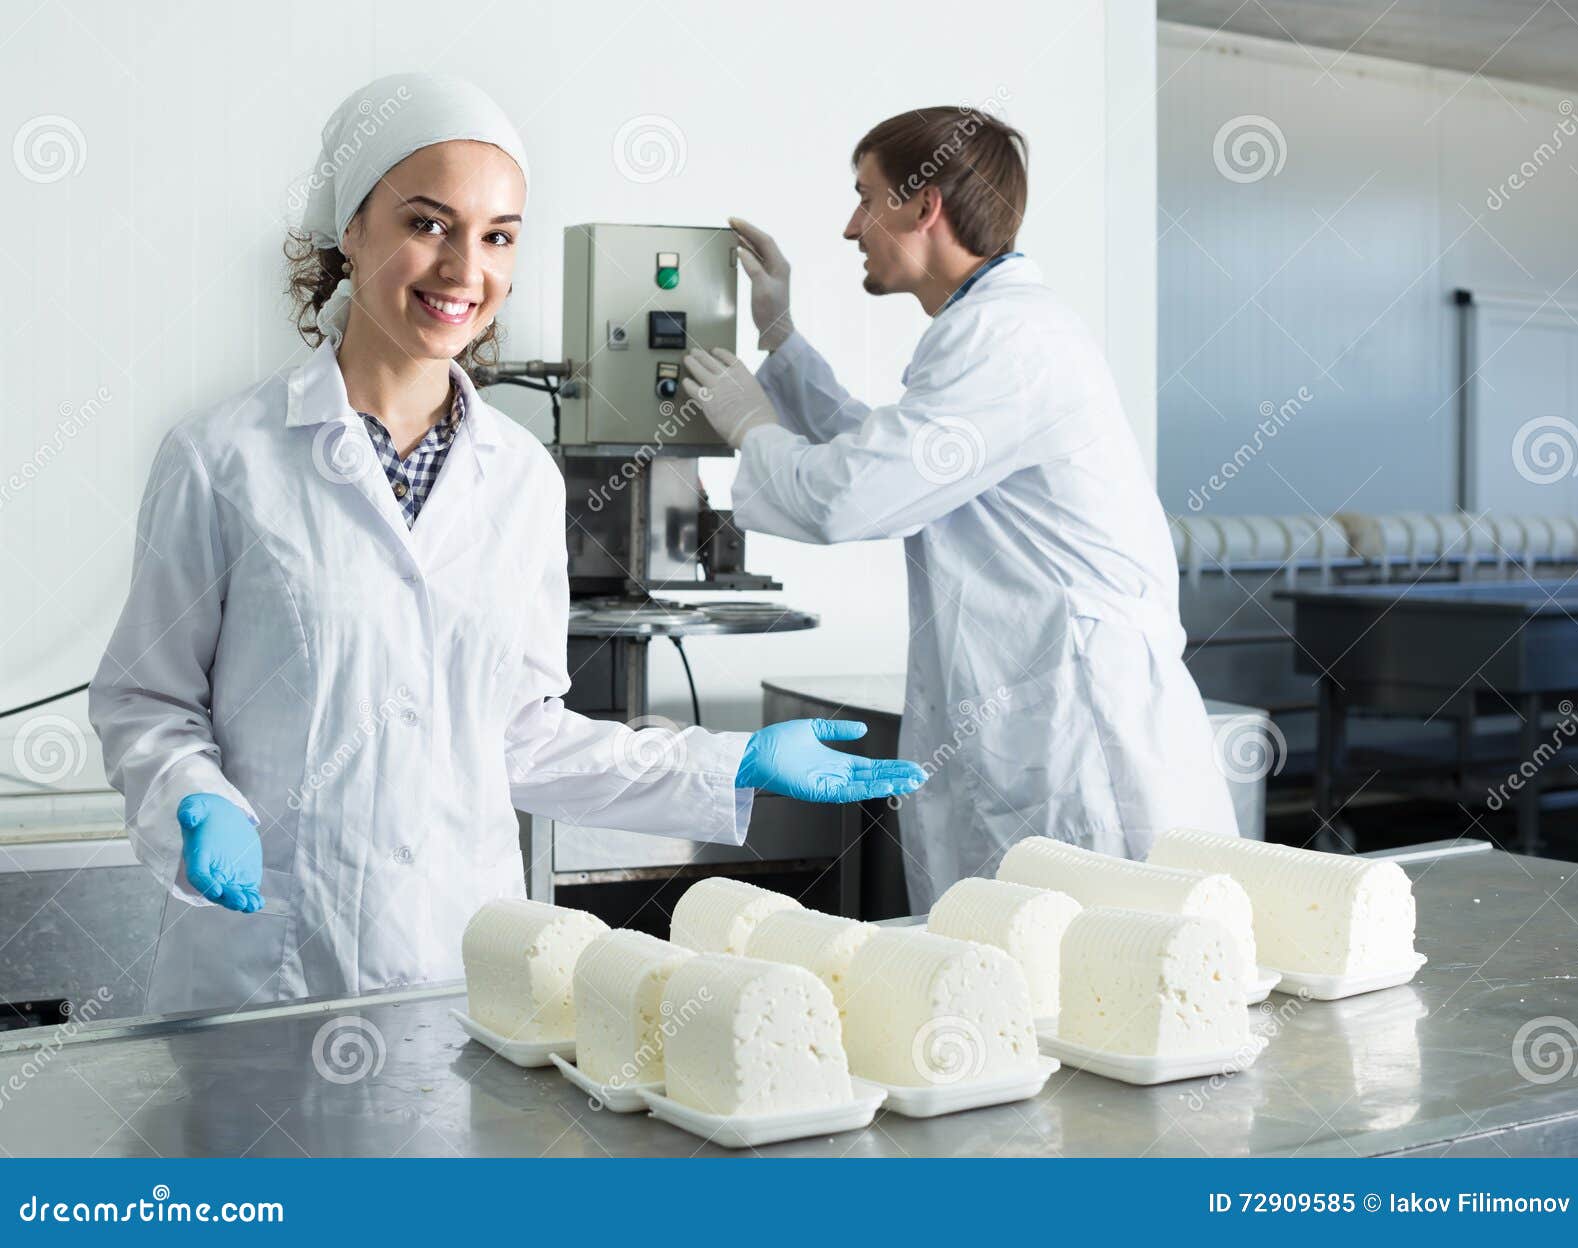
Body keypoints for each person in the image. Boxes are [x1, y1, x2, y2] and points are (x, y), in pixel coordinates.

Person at [88, 73, 924, 1016]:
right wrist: (193, 801)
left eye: (496, 237)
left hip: (456, 974)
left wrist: (726, 763)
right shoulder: (222, 458)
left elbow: (523, 739)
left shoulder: (520, 477)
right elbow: (145, 701)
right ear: (350, 230)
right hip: (265, 973)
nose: (462, 271)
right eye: (427, 224)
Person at [681, 107, 1236, 915]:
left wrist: (753, 424)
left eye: (865, 198)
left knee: (1096, 988)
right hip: (1034, 735)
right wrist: (781, 336)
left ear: (925, 204)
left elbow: (850, 496)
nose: (850, 227)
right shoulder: (990, 333)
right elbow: (890, 457)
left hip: (1079, 751)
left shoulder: (1007, 340)